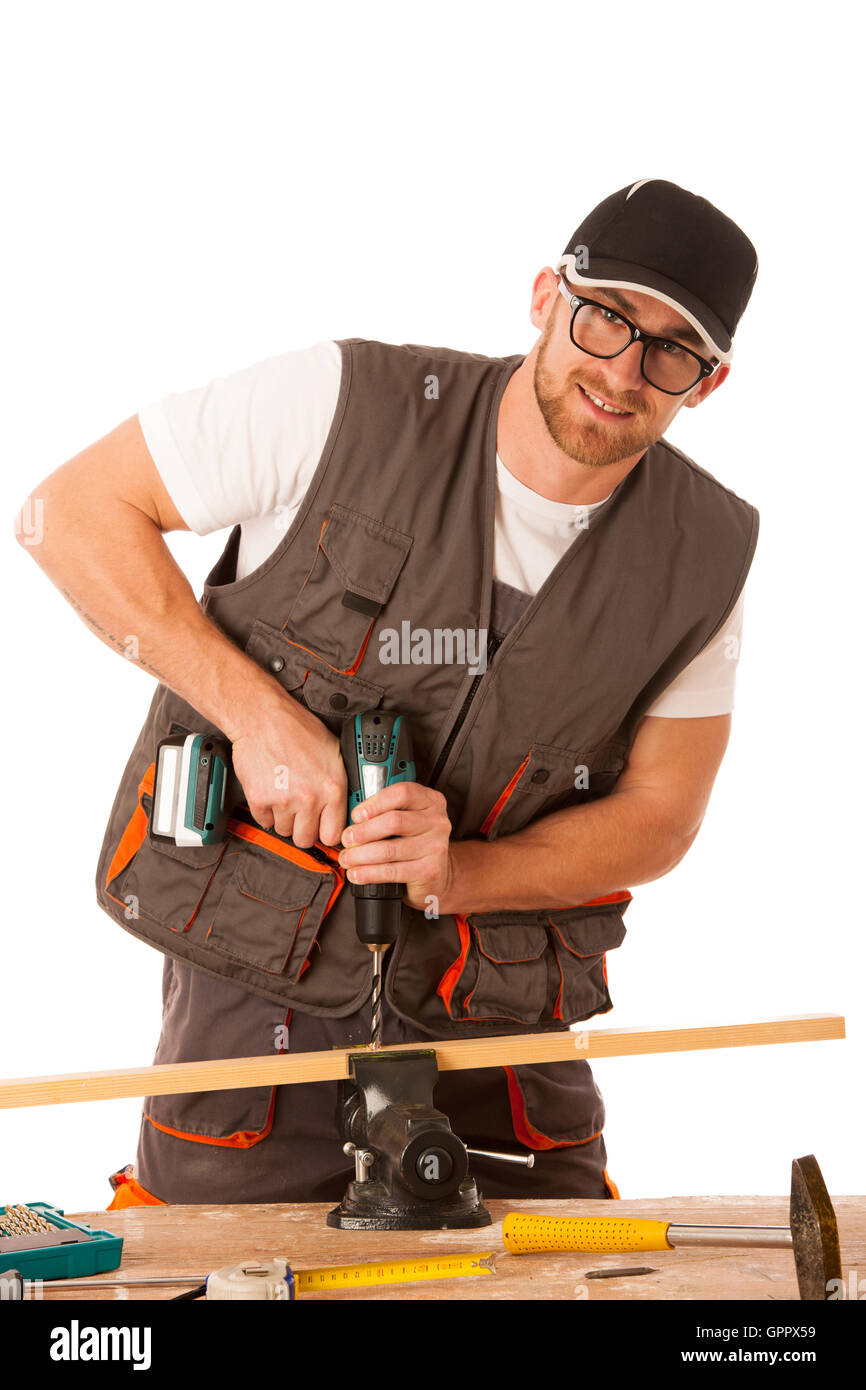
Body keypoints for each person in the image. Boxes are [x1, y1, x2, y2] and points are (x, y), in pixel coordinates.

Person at [16, 179, 759, 1208]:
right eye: (605, 316)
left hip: (499, 1032)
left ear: (704, 385)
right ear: (545, 296)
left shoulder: (701, 556)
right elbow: (70, 513)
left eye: (670, 349)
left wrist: (461, 868)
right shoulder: (338, 403)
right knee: (226, 1274)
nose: (623, 369)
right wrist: (256, 716)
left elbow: (661, 816)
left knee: (569, 1281)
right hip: (263, 1026)